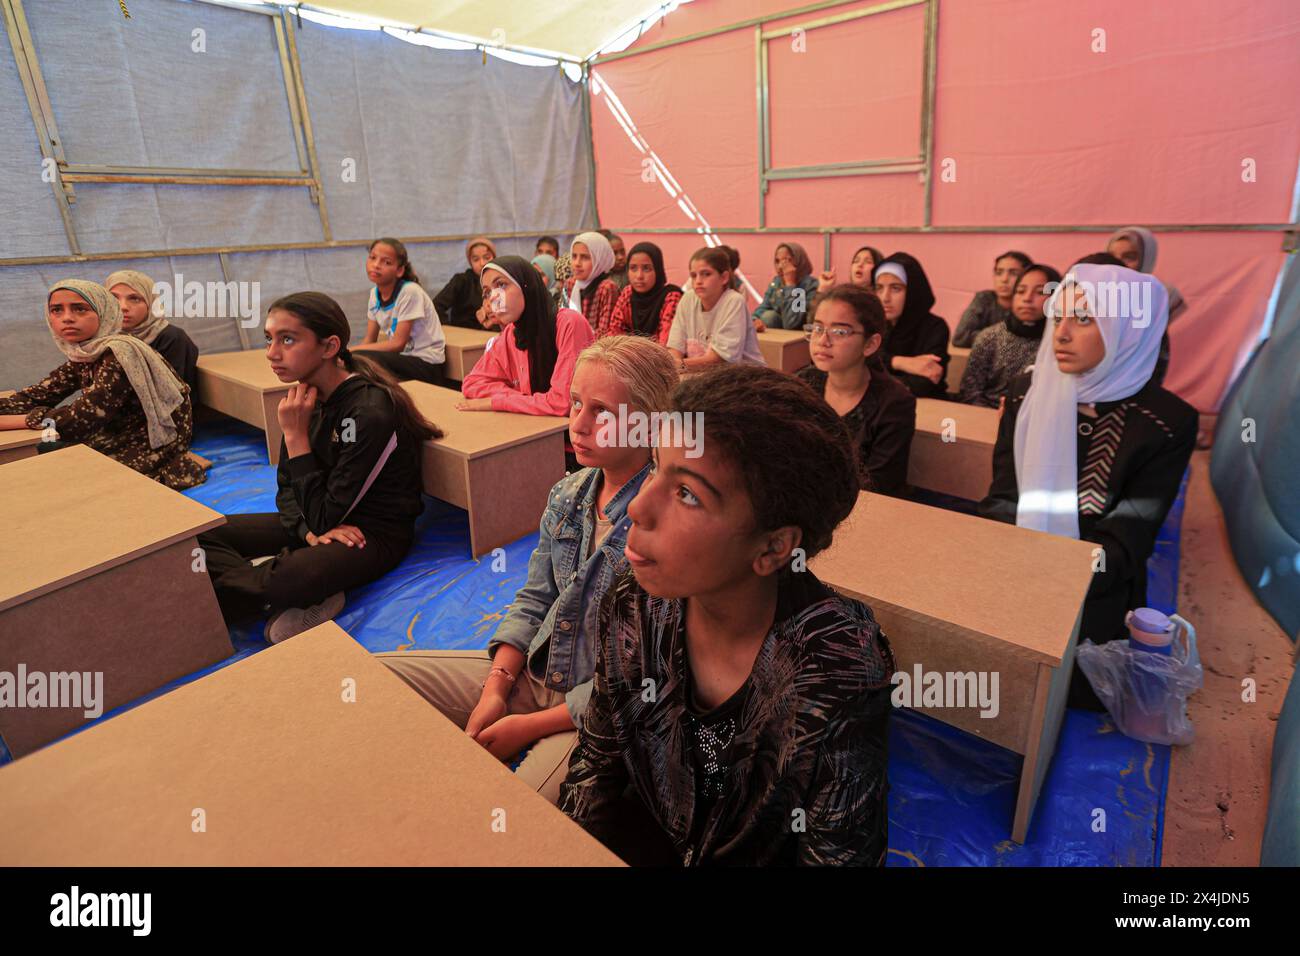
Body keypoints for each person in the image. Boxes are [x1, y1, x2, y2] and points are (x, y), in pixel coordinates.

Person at [560, 364, 895, 866]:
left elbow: (836, 857)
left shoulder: (838, 668)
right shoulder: (635, 602)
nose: (637, 509)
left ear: (774, 547)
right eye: (655, 467)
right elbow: (598, 763)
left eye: (688, 494)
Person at [378, 336, 678, 804]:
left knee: (518, 813)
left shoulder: (668, 524)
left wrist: (529, 727)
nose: (577, 424)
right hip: (539, 670)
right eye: (576, 402)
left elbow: (649, 678)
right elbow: (536, 598)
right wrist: (498, 685)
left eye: (602, 412)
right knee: (377, 681)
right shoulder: (569, 493)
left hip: (597, 709)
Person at [978, 264, 1197, 709]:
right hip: (1016, 562)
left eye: (1084, 320)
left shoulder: (1166, 423)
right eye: (1059, 317)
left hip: (1094, 586)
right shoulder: (1029, 389)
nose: (1060, 334)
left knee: (1068, 689)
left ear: (1128, 330)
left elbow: (1126, 541)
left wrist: (1051, 583)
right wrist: (1003, 561)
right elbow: (1004, 495)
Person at [197, 292, 440, 643]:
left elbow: (329, 514)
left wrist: (296, 438)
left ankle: (264, 583)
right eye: (269, 339)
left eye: (288, 339)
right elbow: (286, 490)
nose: (271, 353)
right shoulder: (303, 398)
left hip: (371, 534)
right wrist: (307, 535)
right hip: (318, 522)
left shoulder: (368, 411)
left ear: (329, 347)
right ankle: (262, 585)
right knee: (200, 535)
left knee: (293, 576)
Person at [0, 279, 203, 490]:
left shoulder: (119, 353)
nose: (67, 318)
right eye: (56, 310)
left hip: (146, 444)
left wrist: (17, 421)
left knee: (45, 471)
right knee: (38, 456)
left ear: (104, 311)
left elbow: (81, 420)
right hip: (114, 431)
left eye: (80, 309)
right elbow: (39, 394)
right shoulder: (88, 352)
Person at [796, 285, 916, 496]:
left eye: (840, 332)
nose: (823, 341)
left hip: (861, 511)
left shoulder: (894, 403)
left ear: (870, 344)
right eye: (817, 328)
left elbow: (879, 486)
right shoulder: (804, 383)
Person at [459, 255, 595, 415]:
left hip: (575, 435)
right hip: (534, 428)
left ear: (526, 286)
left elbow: (563, 403)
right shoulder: (512, 333)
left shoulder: (569, 323)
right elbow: (472, 383)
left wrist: (498, 401)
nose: (494, 298)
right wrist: (523, 400)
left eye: (501, 285)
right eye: (487, 292)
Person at [959, 263, 1061, 408]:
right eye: (1020, 291)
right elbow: (970, 392)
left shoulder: (1060, 340)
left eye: (1040, 292)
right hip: (986, 415)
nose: (1027, 298)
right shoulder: (990, 336)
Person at [354, 238, 446, 384]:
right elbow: (369, 339)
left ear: (399, 270)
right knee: (355, 361)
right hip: (403, 359)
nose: (376, 265)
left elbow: (398, 344)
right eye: (372, 258)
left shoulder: (410, 292)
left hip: (426, 364)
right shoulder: (373, 294)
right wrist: (350, 354)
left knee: (365, 359)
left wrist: (353, 352)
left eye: (386, 262)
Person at [666, 246, 764, 371]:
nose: (698, 281)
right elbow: (675, 347)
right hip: (703, 375)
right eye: (694, 275)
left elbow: (719, 360)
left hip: (744, 378)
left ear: (724, 278)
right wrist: (674, 364)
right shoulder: (687, 299)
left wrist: (680, 365)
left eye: (706, 274)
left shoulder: (734, 301)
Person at [106, 269, 199, 394]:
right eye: (113, 297)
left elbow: (169, 394)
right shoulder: (103, 337)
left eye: (134, 299)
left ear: (151, 303)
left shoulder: (171, 338)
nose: (123, 306)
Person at [872, 253, 951, 397]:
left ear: (913, 291)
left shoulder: (935, 327)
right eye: (879, 288)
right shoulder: (874, 323)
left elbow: (924, 383)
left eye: (895, 288)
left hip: (930, 407)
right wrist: (899, 362)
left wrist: (875, 376)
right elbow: (858, 364)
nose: (885, 298)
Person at [600, 241, 682, 343]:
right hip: (627, 355)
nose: (639, 276)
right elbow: (614, 333)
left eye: (646, 269)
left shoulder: (671, 297)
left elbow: (665, 343)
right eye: (633, 268)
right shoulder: (628, 292)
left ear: (658, 269)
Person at [952, 251, 1033, 347]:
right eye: (999, 273)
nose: (1004, 279)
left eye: (1013, 273)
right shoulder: (984, 299)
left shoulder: (1031, 303)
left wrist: (983, 337)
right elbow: (960, 337)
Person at [753, 242, 819, 331]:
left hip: (800, 337)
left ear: (799, 260)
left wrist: (790, 284)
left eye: (787, 260)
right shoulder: (777, 282)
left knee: (769, 317)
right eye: (777, 261)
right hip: (780, 336)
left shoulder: (810, 285)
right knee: (768, 316)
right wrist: (754, 320)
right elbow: (763, 307)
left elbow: (792, 323)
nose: (780, 266)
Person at [434, 236, 496, 329]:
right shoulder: (461, 281)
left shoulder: (501, 281)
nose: (482, 263)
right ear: (470, 262)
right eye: (476, 259)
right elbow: (436, 305)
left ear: (494, 258)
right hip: (464, 338)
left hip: (493, 336)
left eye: (486, 257)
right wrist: (450, 330)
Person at [564, 232, 621, 333]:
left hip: (598, 347)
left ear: (599, 260)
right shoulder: (570, 284)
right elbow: (563, 322)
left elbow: (605, 333)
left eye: (585, 257)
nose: (577, 263)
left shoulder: (607, 288)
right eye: (574, 256)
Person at [816, 245, 882, 296]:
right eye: (856, 261)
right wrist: (823, 288)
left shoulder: (881, 298)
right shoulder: (843, 295)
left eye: (868, 262)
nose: (860, 265)